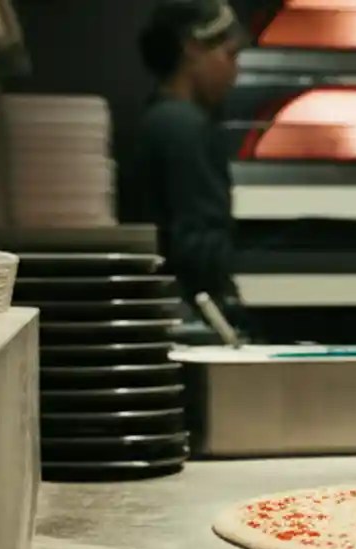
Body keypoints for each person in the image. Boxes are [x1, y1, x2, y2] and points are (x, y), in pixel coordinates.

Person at [131, 0, 251, 336]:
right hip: (190, 321)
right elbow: (200, 247)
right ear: (193, 48)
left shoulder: (156, 121)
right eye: (229, 55)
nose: (234, 72)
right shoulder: (184, 127)